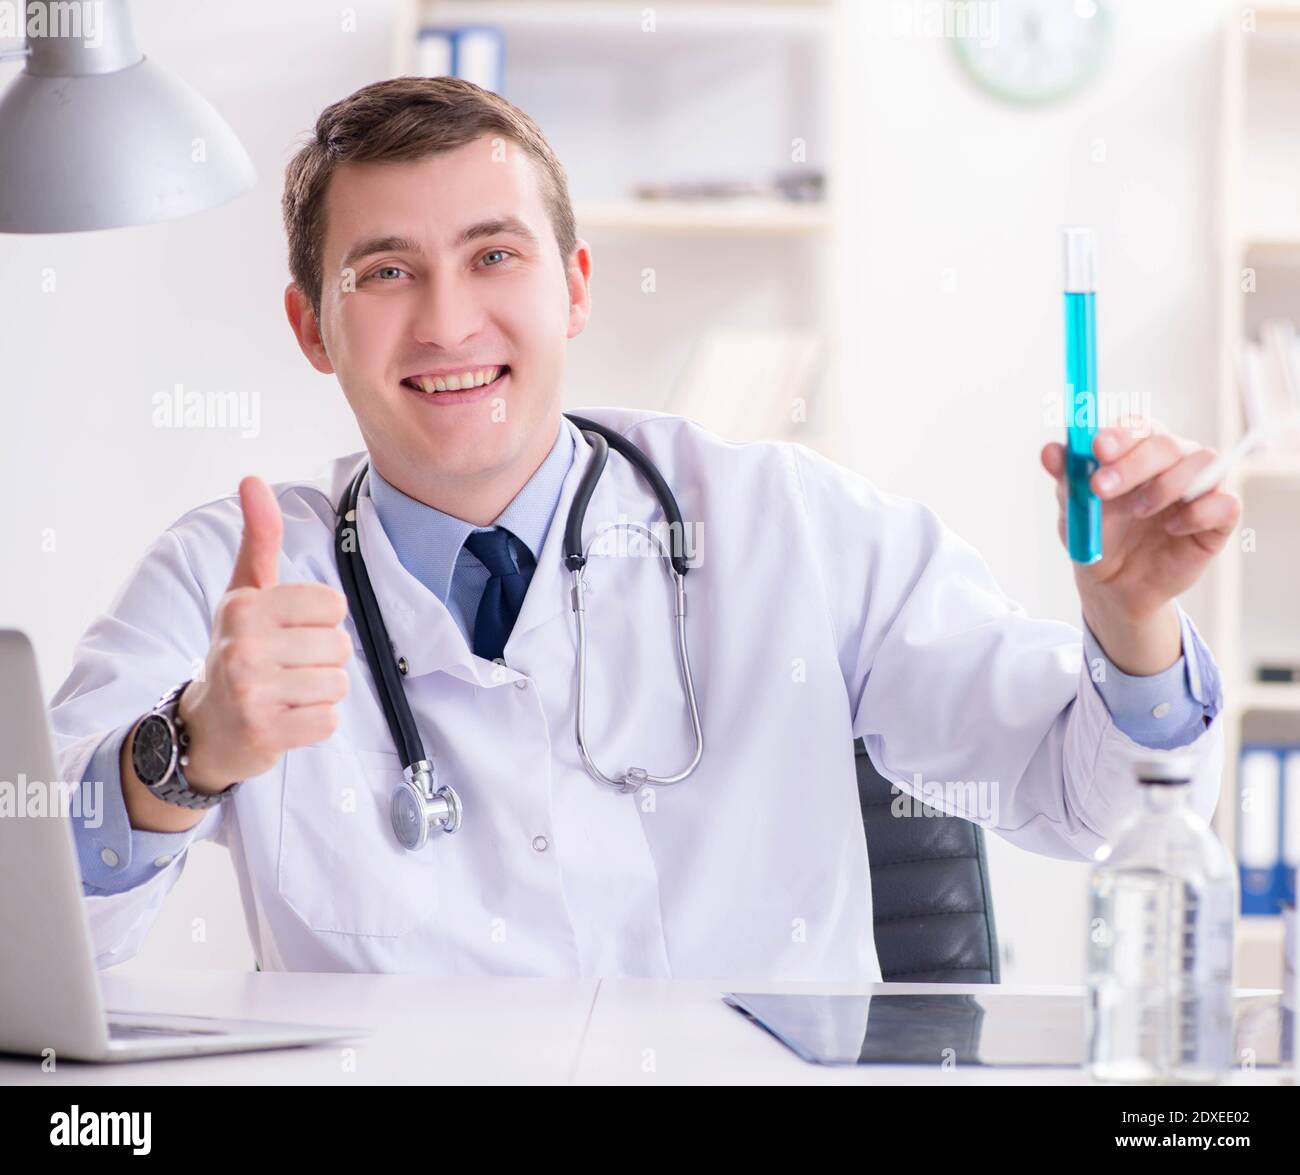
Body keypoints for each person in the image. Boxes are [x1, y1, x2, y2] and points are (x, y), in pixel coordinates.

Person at [49, 77, 1237, 980]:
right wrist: (182, 755)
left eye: (493, 255)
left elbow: (1091, 798)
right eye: (387, 273)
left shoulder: (786, 523)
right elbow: (28, 929)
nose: (450, 320)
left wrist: (1133, 625)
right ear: (313, 327)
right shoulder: (234, 574)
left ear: (572, 285)